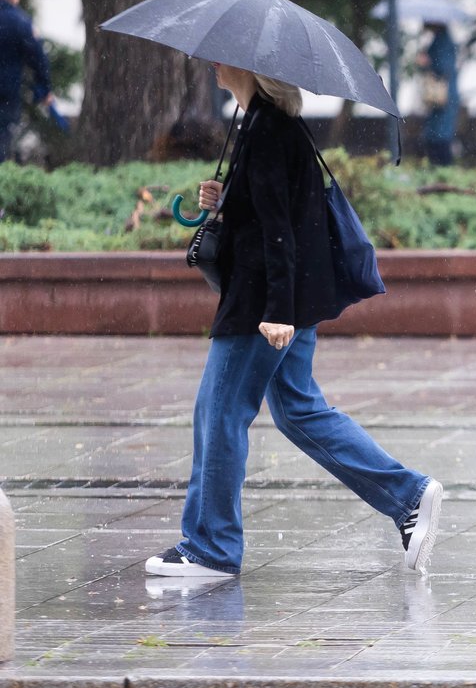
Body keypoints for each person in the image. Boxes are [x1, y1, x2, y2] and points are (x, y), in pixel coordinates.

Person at [145, 63, 443, 579]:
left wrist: (276, 313)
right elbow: (271, 213)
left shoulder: (266, 130)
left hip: (264, 305)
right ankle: (408, 495)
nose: (214, 63)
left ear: (247, 68)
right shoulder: (266, 125)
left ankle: (210, 547)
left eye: (222, 57)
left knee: (218, 413)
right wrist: (222, 200)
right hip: (290, 297)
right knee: (299, 411)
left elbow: (280, 230)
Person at [0, 0, 54, 162]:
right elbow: (38, 57)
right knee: (3, 139)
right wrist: (45, 89)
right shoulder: (20, 22)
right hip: (7, 92)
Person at [417, 22, 460, 166]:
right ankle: (439, 167)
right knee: (436, 134)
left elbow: (443, 67)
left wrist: (427, 62)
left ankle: (442, 168)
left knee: (439, 135)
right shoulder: (441, 40)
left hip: (444, 97)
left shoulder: (443, 42)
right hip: (443, 97)